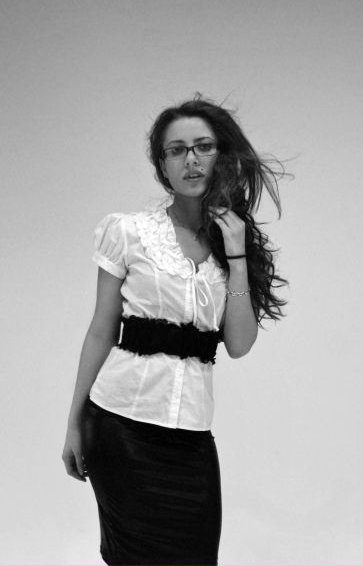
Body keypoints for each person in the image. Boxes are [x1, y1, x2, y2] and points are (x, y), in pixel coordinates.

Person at [62, 94, 289, 566]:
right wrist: (74, 423)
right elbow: (101, 330)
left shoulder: (233, 243)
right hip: (119, 426)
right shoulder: (128, 232)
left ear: (222, 156)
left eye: (203, 146)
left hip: (190, 438)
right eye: (177, 150)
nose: (191, 160)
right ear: (162, 165)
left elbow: (239, 344)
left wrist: (237, 255)